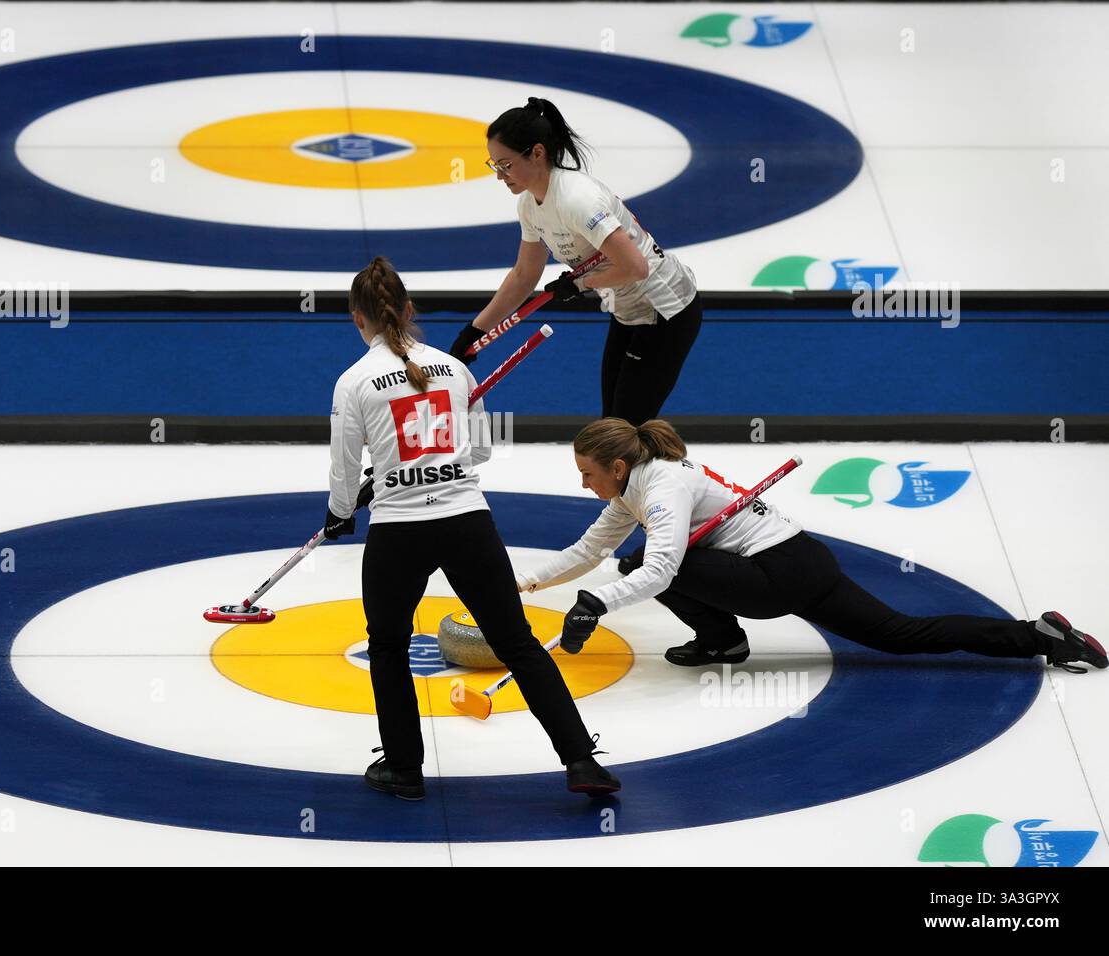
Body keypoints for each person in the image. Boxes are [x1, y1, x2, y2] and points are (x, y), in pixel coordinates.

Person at [327, 256, 621, 800]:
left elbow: (345, 473)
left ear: (356, 319)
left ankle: (404, 768)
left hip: (399, 529)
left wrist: (343, 508)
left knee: (388, 645)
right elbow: (479, 451)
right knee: (518, 643)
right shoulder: (454, 369)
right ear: (410, 310)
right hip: (467, 520)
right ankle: (582, 760)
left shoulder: (353, 383)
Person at [515, 418, 1106, 675]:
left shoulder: (664, 488)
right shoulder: (632, 490)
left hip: (778, 575)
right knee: (901, 636)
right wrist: (525, 583)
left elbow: (664, 569)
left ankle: (724, 641)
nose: (582, 484)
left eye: (587, 473)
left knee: (643, 563)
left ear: (618, 465)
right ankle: (1039, 635)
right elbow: (586, 552)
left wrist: (596, 604)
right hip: (800, 557)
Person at [449, 96, 702, 574]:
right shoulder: (532, 204)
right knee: (618, 428)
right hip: (631, 313)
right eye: (494, 164)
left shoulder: (578, 197)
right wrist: (475, 330)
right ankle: (660, 525)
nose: (499, 174)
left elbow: (634, 265)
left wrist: (580, 283)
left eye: (505, 164)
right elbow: (525, 275)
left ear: (537, 154)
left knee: (621, 438)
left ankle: (667, 537)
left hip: (666, 310)